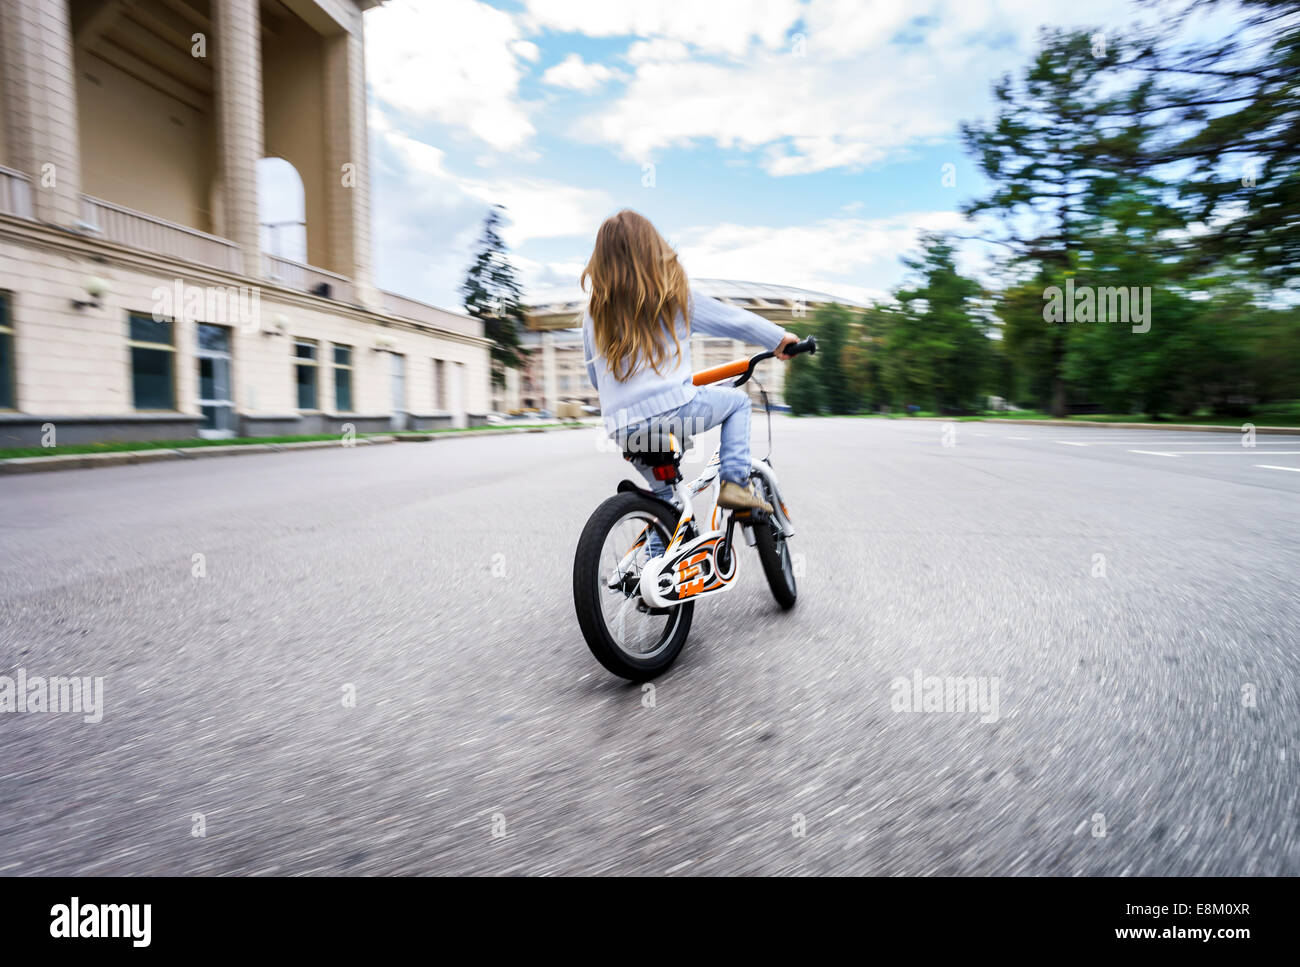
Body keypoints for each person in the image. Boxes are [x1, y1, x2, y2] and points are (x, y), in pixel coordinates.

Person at [581, 209, 798, 525]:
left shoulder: (594, 312)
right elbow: (732, 320)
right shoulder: (672, 295)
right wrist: (779, 339)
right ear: (653, 249)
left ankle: (656, 570)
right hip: (673, 409)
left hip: (621, 425)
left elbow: (595, 376)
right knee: (737, 403)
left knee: (665, 507)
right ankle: (735, 485)